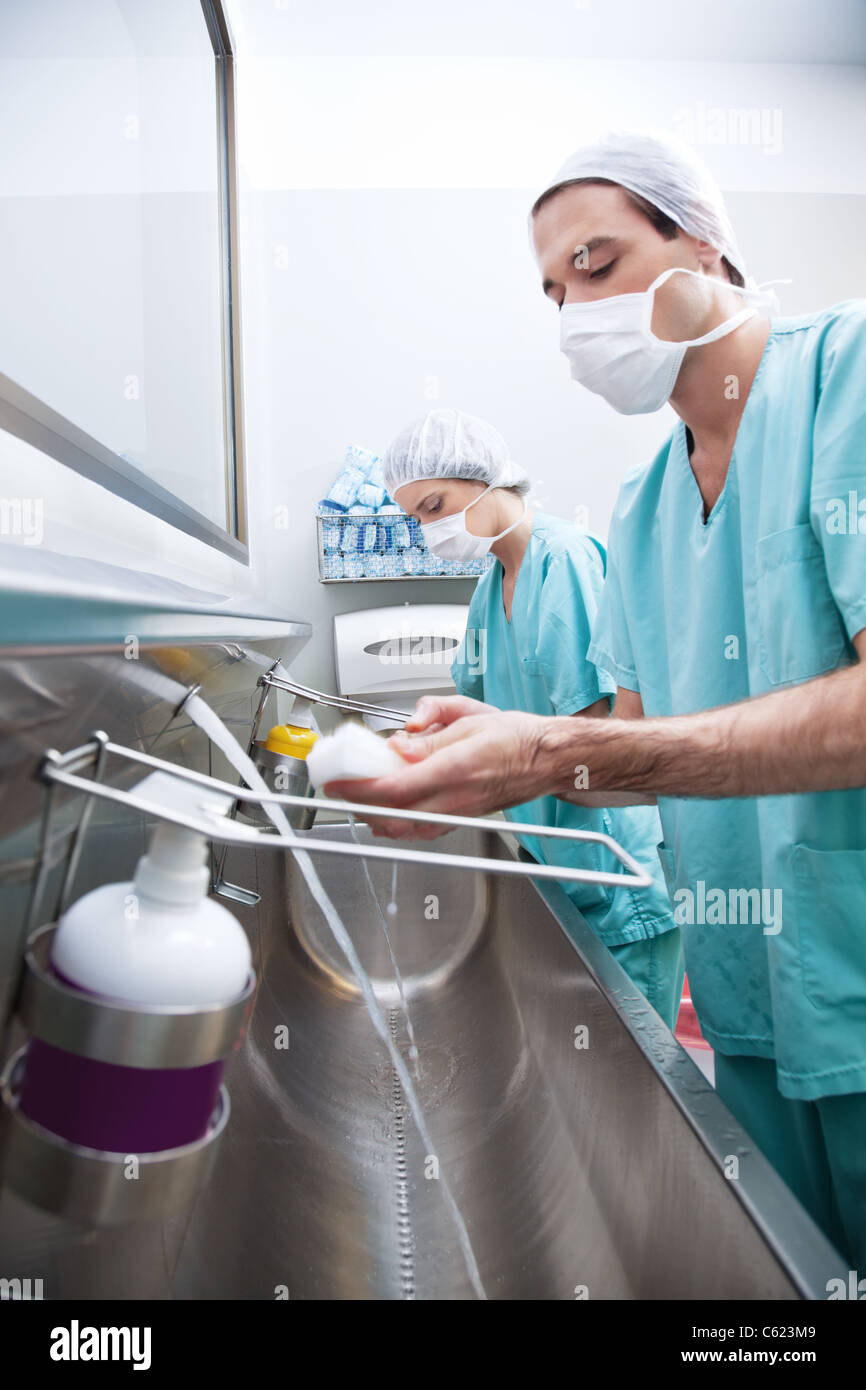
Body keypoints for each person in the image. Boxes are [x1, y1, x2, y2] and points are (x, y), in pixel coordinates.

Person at [323, 130, 866, 1271]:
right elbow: (625, 745)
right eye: (551, 289)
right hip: (747, 997)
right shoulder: (647, 507)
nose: (575, 310)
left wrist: (542, 752)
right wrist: (496, 764)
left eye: (598, 261)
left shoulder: (844, 383)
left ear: (703, 246)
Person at [379, 406, 684, 1028]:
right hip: (560, 863)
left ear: (486, 478)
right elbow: (485, 717)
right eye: (416, 519)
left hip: (613, 874)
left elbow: (601, 743)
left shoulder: (564, 560)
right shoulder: (494, 581)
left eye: (435, 507)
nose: (429, 531)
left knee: (636, 1075)